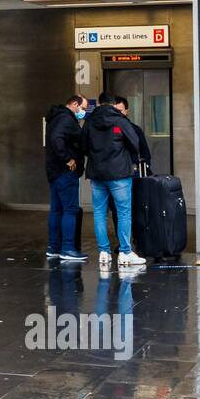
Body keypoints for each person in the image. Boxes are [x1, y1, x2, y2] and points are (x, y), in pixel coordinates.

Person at [81, 93, 146, 270]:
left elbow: (83, 146)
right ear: (112, 104)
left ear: (100, 103)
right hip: (119, 174)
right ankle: (125, 252)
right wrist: (128, 158)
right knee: (124, 212)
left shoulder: (89, 121)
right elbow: (135, 142)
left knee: (99, 213)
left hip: (96, 174)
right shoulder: (119, 120)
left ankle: (104, 252)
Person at [44, 94, 87, 262]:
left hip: (54, 172)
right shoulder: (66, 120)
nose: (83, 112)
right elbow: (57, 140)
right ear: (74, 104)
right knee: (70, 210)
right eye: (82, 108)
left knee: (56, 210)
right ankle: (68, 248)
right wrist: (68, 158)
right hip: (65, 172)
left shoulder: (56, 118)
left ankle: (53, 247)